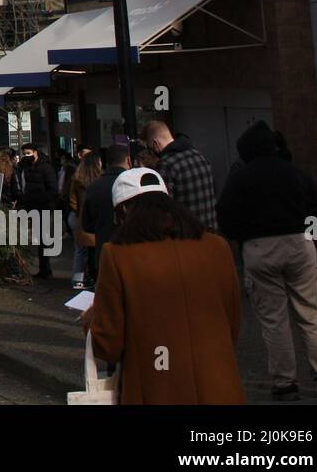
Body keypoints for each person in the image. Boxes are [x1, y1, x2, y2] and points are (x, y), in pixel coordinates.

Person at [84, 167, 246, 404]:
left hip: (155, 387)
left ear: (125, 210)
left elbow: (109, 343)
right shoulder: (217, 247)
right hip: (219, 385)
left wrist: (92, 319)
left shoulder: (118, 255)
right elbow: (232, 323)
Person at [217, 120, 317, 400]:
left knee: (274, 320)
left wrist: (245, 238)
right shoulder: (294, 173)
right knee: (309, 314)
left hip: (259, 248)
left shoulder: (241, 178)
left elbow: (226, 219)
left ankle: (285, 383)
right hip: (298, 243)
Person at [140, 120, 217, 231]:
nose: (150, 152)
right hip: (210, 232)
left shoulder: (166, 164)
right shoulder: (199, 156)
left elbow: (163, 207)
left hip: (187, 235)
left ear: (155, 144)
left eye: (149, 148)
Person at [81, 143, 132, 287]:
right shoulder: (133, 184)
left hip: (104, 253)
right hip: (131, 253)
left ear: (104, 162)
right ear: (129, 160)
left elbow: (87, 225)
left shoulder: (94, 187)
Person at [18, 143, 60, 279]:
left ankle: (46, 269)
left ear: (36, 152)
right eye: (24, 153)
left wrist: (44, 201)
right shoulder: (26, 166)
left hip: (44, 207)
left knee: (44, 239)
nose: (26, 156)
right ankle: (44, 269)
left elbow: (53, 189)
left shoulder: (46, 167)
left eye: (28, 153)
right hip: (33, 207)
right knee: (39, 239)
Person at [67, 153, 101, 289]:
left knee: (80, 250)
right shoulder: (100, 180)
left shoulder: (76, 178)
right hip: (93, 218)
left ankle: (78, 279)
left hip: (77, 217)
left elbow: (72, 200)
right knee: (95, 249)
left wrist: (79, 212)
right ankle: (94, 278)